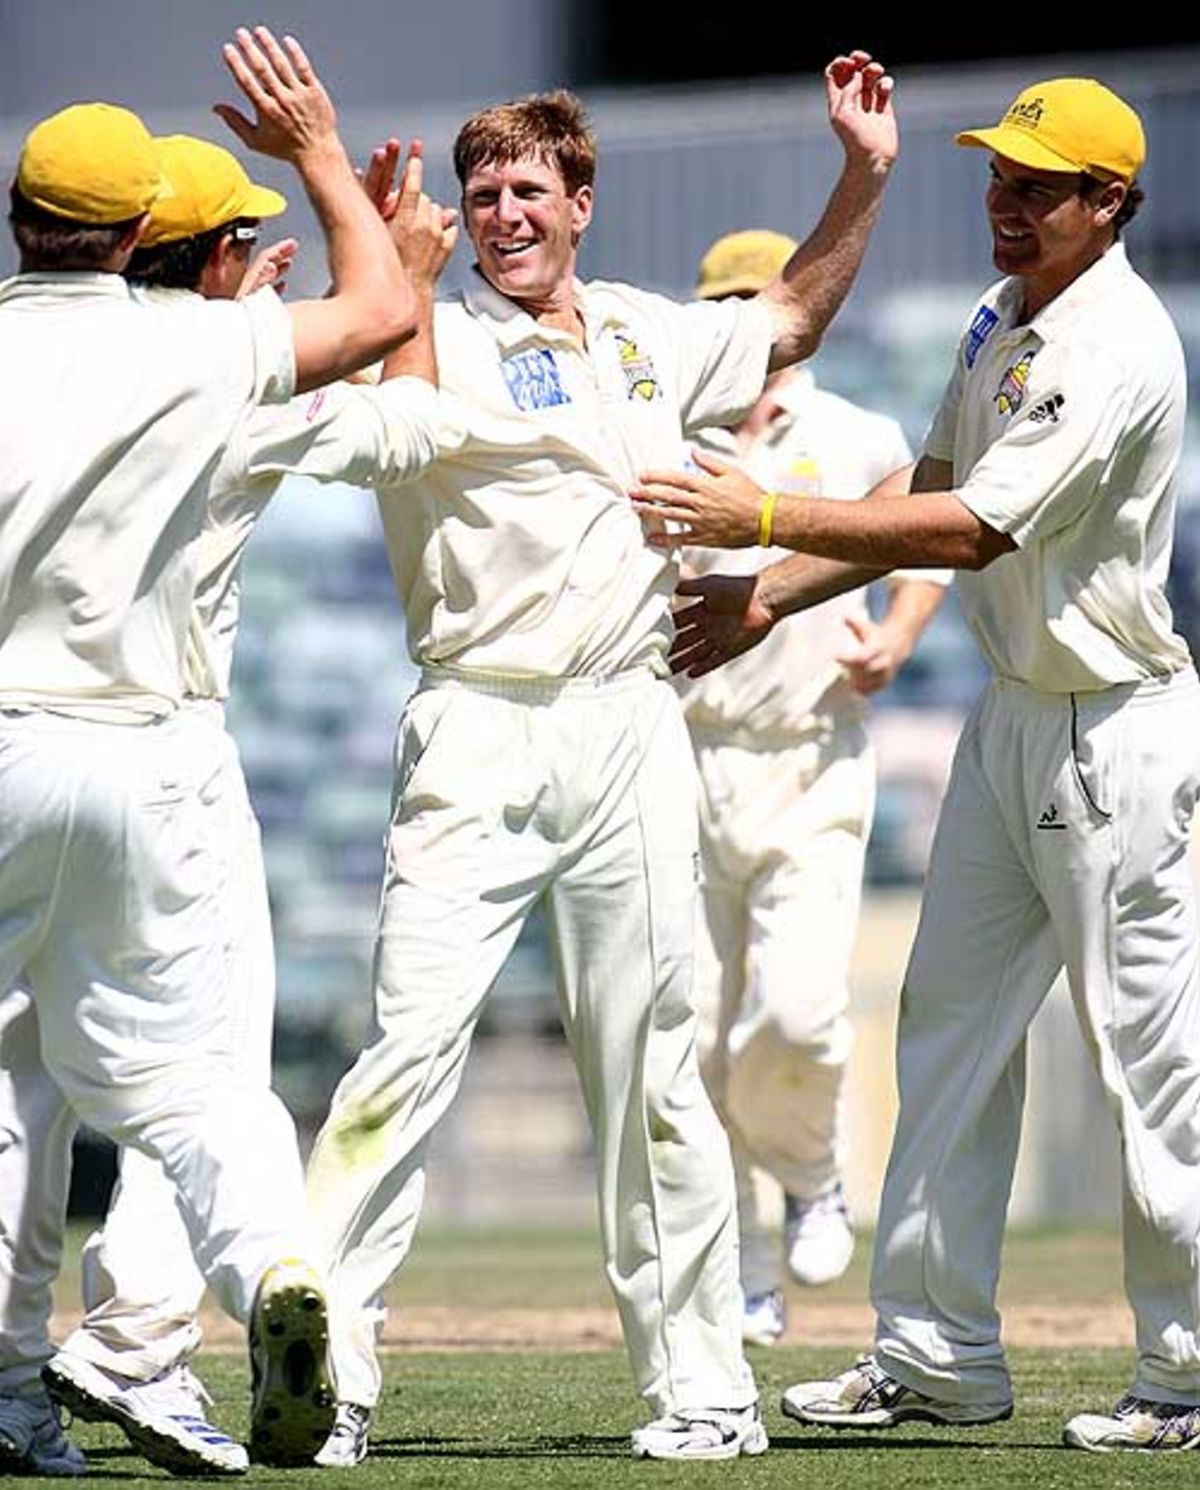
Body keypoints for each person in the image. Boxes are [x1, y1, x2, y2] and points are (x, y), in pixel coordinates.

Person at [302, 51, 898, 1467]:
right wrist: (373, 255)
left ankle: (702, 1387)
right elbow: (374, 411)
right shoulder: (427, 330)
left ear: (582, 202)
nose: (501, 213)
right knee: (405, 1050)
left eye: (526, 189)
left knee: (654, 1069)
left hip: (630, 717)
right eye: (480, 193)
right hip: (477, 718)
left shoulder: (646, 331)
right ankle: (324, 1369)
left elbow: (796, 314)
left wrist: (865, 171)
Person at [630, 77, 1200, 1453]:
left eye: (1039, 186)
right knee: (946, 1033)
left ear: (1110, 202)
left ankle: (1186, 1370)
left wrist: (760, 511)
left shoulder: (1116, 340)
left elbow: (968, 532)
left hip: (1110, 725)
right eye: (1000, 178)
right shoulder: (1004, 316)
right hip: (1019, 717)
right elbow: (919, 483)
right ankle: (935, 1353)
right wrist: (771, 589)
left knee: (1145, 1061)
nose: (1006, 204)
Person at [0, 25, 427, 1475]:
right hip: (151, 756)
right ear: (132, 233)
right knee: (198, 1083)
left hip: (2, 740)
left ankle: (6, 1389)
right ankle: (266, 1275)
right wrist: (317, 156)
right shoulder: (193, 346)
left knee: (6, 1092)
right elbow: (378, 316)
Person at [679, 228, 948, 1348]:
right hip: (685, 758)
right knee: (691, 1033)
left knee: (790, 1009)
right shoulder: (673, 434)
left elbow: (922, 552)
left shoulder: (854, 434)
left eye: (767, 302)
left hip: (813, 753)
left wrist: (891, 641)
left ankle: (814, 1173)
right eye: (731, 305)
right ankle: (743, 1258)